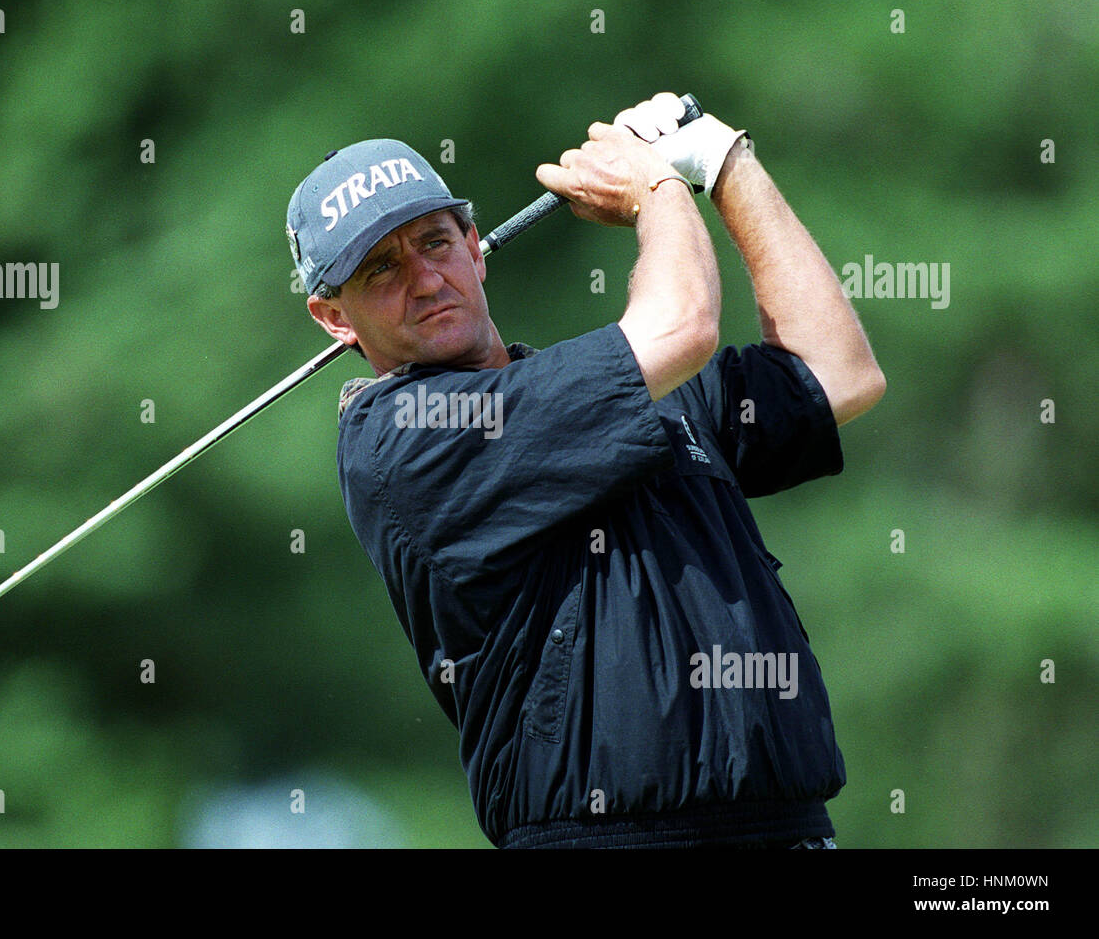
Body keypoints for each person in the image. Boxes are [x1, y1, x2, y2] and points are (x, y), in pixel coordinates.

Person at [285, 92, 885, 848]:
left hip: (788, 829)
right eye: (380, 268)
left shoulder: (631, 391)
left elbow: (839, 373)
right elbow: (683, 325)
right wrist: (658, 191)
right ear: (334, 317)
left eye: (434, 242)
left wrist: (726, 163)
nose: (425, 277)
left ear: (475, 246)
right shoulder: (399, 438)